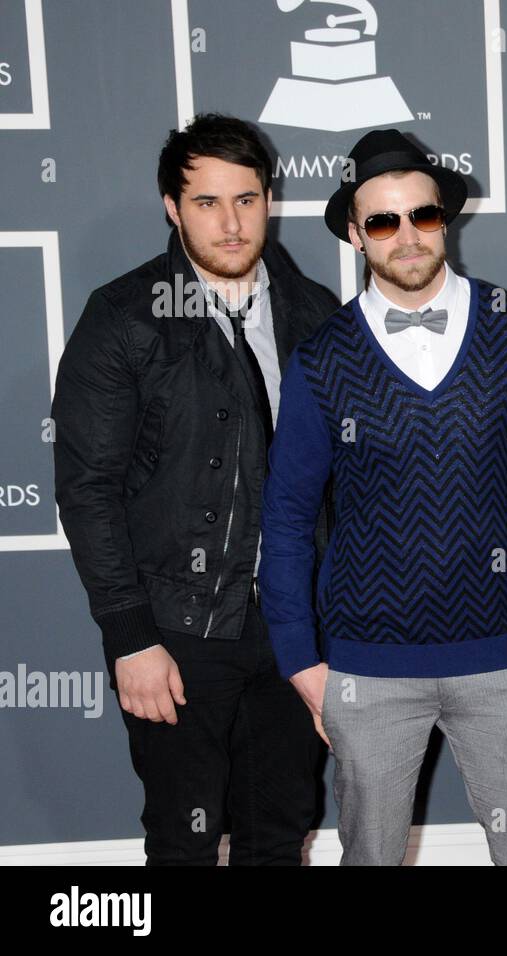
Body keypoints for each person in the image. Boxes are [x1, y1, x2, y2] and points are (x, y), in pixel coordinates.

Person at [259, 128, 507, 865]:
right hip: (367, 668)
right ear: (357, 236)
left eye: (421, 215)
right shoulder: (323, 357)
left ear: (445, 218)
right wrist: (302, 661)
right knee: (368, 857)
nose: (406, 236)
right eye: (383, 221)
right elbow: (288, 518)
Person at [51, 113, 338, 864]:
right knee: (182, 840)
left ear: (269, 200)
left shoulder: (316, 317)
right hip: (175, 630)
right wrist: (130, 638)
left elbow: (346, 486)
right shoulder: (123, 317)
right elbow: (88, 490)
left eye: (245, 199)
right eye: (206, 202)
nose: (231, 222)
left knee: (278, 834)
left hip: (292, 629)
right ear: (172, 208)